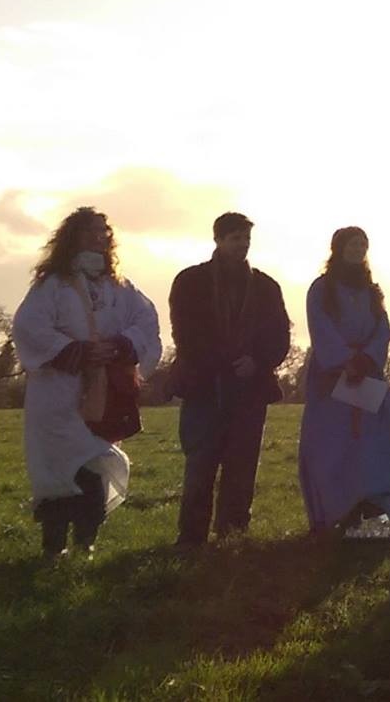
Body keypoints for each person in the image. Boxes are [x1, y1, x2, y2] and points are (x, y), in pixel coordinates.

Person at [13, 207, 164, 559]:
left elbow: (146, 321)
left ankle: (86, 541)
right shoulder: (52, 285)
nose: (101, 237)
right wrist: (75, 351)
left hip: (101, 392)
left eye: (104, 231)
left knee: (96, 463)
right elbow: (29, 327)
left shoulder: (121, 287)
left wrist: (120, 345)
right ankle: (54, 546)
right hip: (57, 392)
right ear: (73, 237)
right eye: (91, 231)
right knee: (58, 469)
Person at [168, 212, 291, 548]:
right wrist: (220, 362)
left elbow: (280, 335)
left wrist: (258, 361)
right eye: (235, 238)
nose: (242, 245)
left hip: (249, 392)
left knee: (242, 469)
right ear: (218, 240)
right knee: (200, 466)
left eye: (246, 239)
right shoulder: (190, 281)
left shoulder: (266, 287)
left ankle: (232, 536)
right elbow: (185, 332)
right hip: (203, 388)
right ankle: (191, 538)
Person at [299, 227, 390, 538]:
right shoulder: (322, 289)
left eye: (363, 245)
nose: (358, 249)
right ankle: (332, 514)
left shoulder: (372, 291)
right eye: (352, 244)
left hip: (366, 375)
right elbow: (320, 325)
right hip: (331, 380)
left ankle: (369, 513)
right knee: (330, 446)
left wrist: (366, 359)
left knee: (372, 444)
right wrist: (344, 360)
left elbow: (383, 328)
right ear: (339, 248)